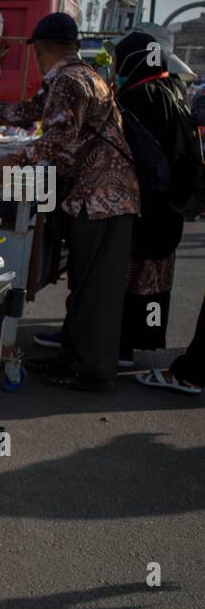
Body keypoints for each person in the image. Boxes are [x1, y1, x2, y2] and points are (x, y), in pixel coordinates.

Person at [0, 12, 140, 392]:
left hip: (104, 197)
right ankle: (73, 357)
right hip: (97, 196)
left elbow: (56, 140)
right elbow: (29, 113)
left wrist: (6, 161)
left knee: (96, 289)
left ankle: (92, 371)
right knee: (86, 283)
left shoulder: (70, 81)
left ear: (40, 48)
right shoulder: (78, 75)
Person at [113, 31, 189, 366]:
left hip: (146, 202)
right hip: (173, 202)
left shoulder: (137, 96)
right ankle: (150, 336)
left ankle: (125, 345)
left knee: (134, 277)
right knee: (157, 278)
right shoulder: (175, 88)